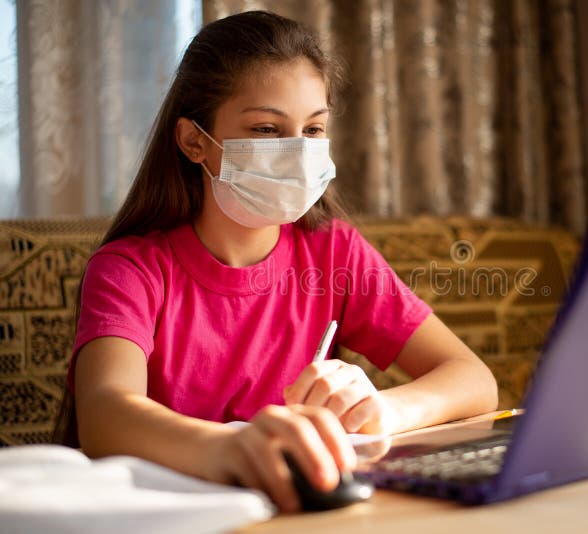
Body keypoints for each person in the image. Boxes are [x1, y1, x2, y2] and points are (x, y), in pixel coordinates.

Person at [59, 10, 498, 513]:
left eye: (312, 130)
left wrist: (379, 410)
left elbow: (472, 378)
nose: (296, 152)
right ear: (194, 141)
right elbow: (104, 416)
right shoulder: (130, 270)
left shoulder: (334, 252)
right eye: (267, 129)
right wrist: (231, 447)